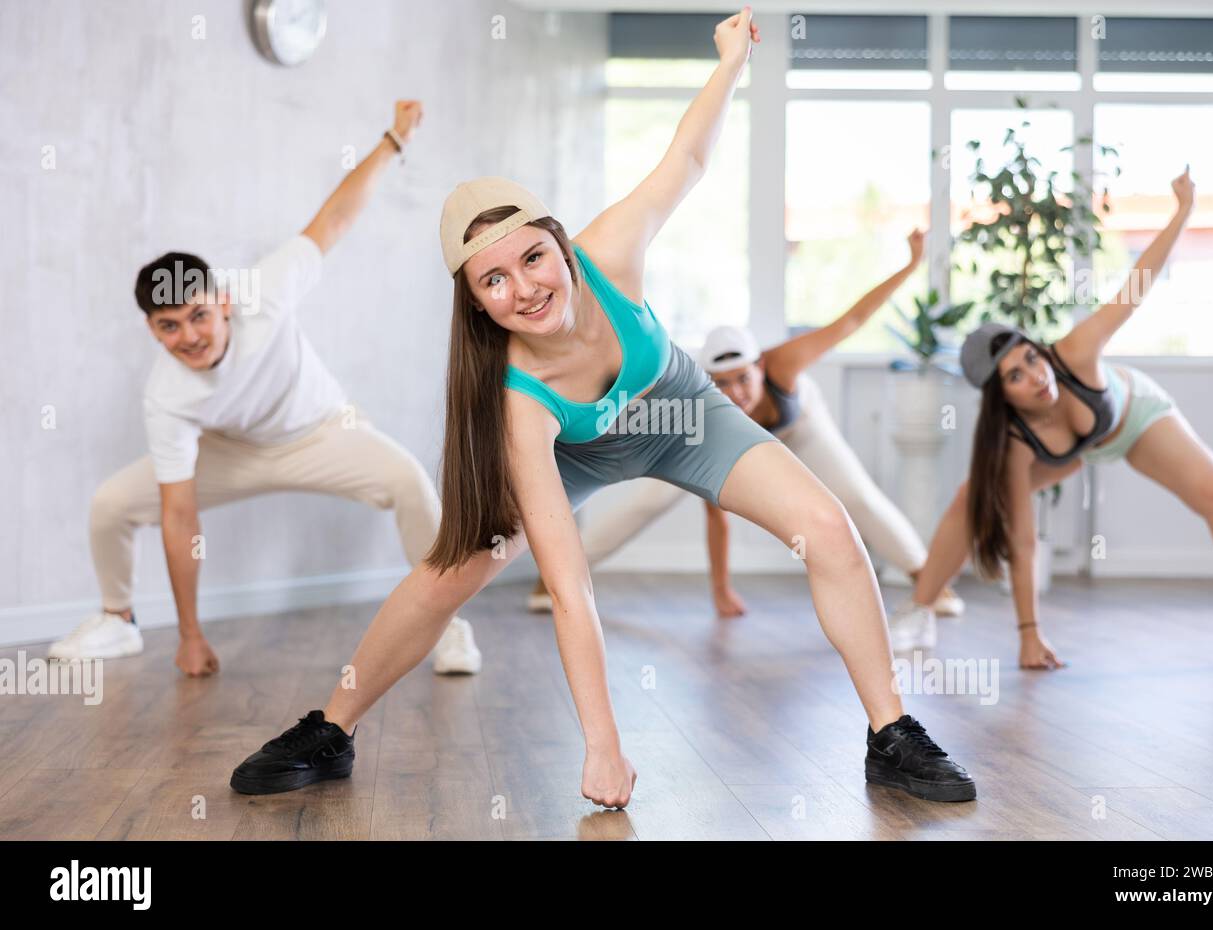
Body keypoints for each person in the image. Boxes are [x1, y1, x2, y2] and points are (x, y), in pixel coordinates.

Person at [230, 9, 976, 807]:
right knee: (449, 575)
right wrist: (604, 746)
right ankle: (331, 729)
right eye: (494, 281)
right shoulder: (520, 405)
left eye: (532, 257)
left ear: (558, 242)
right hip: (575, 452)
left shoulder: (610, 253)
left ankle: (889, 733)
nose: (526, 287)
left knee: (829, 528)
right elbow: (572, 582)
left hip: (682, 417)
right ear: (477, 305)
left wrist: (728, 62)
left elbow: (686, 157)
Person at [53, 101, 481, 678]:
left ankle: (448, 626)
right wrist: (190, 635)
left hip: (323, 430)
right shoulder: (167, 396)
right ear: (151, 330)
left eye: (198, 316)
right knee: (110, 504)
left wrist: (394, 140)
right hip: (233, 451)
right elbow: (180, 517)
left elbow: (334, 218)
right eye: (169, 327)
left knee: (409, 482)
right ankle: (119, 622)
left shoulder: (265, 290)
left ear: (223, 300)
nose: (189, 337)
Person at [890, 168, 1213, 673]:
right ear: (1003, 400)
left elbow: (1136, 287)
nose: (1036, 377)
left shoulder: (1075, 353)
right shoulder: (1015, 441)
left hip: (1131, 420)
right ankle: (919, 610)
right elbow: (1021, 539)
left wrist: (1183, 213)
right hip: (1066, 451)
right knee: (973, 498)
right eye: (1016, 377)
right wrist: (1029, 636)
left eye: (1031, 358)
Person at [524, 229, 963, 619]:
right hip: (721, 431)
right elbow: (718, 511)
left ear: (762, 365)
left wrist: (911, 266)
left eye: (745, 379)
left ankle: (930, 581)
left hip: (799, 424)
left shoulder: (786, 365)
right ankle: (555, 580)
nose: (737, 392)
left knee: (855, 496)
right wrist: (719, 589)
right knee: (647, 501)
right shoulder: (702, 407)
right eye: (724, 383)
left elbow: (852, 320)